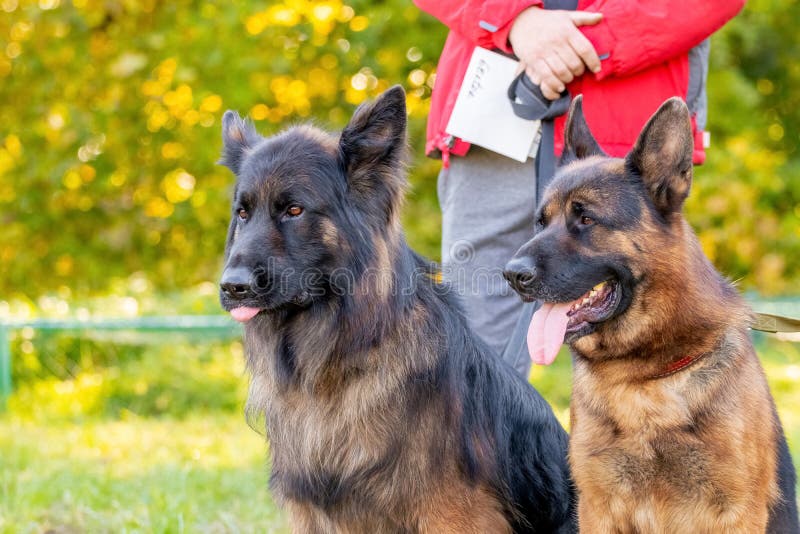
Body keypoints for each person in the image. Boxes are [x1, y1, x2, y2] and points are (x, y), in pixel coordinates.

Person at [413, 0, 745, 376]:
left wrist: (586, 43)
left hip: (627, 115)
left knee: (647, 367)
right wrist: (515, 22)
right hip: (494, 114)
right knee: (466, 360)